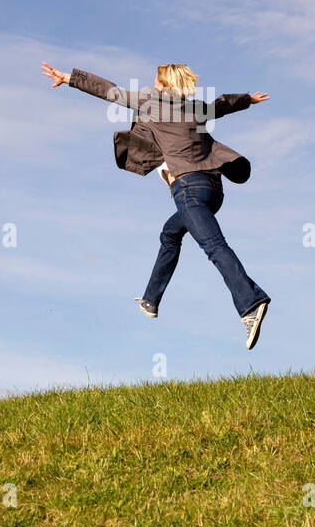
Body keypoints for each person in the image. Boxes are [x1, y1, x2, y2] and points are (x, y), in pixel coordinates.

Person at [40, 61, 272, 349]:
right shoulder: (195, 107)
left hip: (188, 189)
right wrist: (248, 99)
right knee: (170, 233)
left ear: (163, 83)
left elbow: (110, 91)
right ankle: (151, 299)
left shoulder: (151, 102)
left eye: (155, 78)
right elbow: (222, 104)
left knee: (214, 246)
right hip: (213, 191)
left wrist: (69, 78)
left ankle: (251, 303)